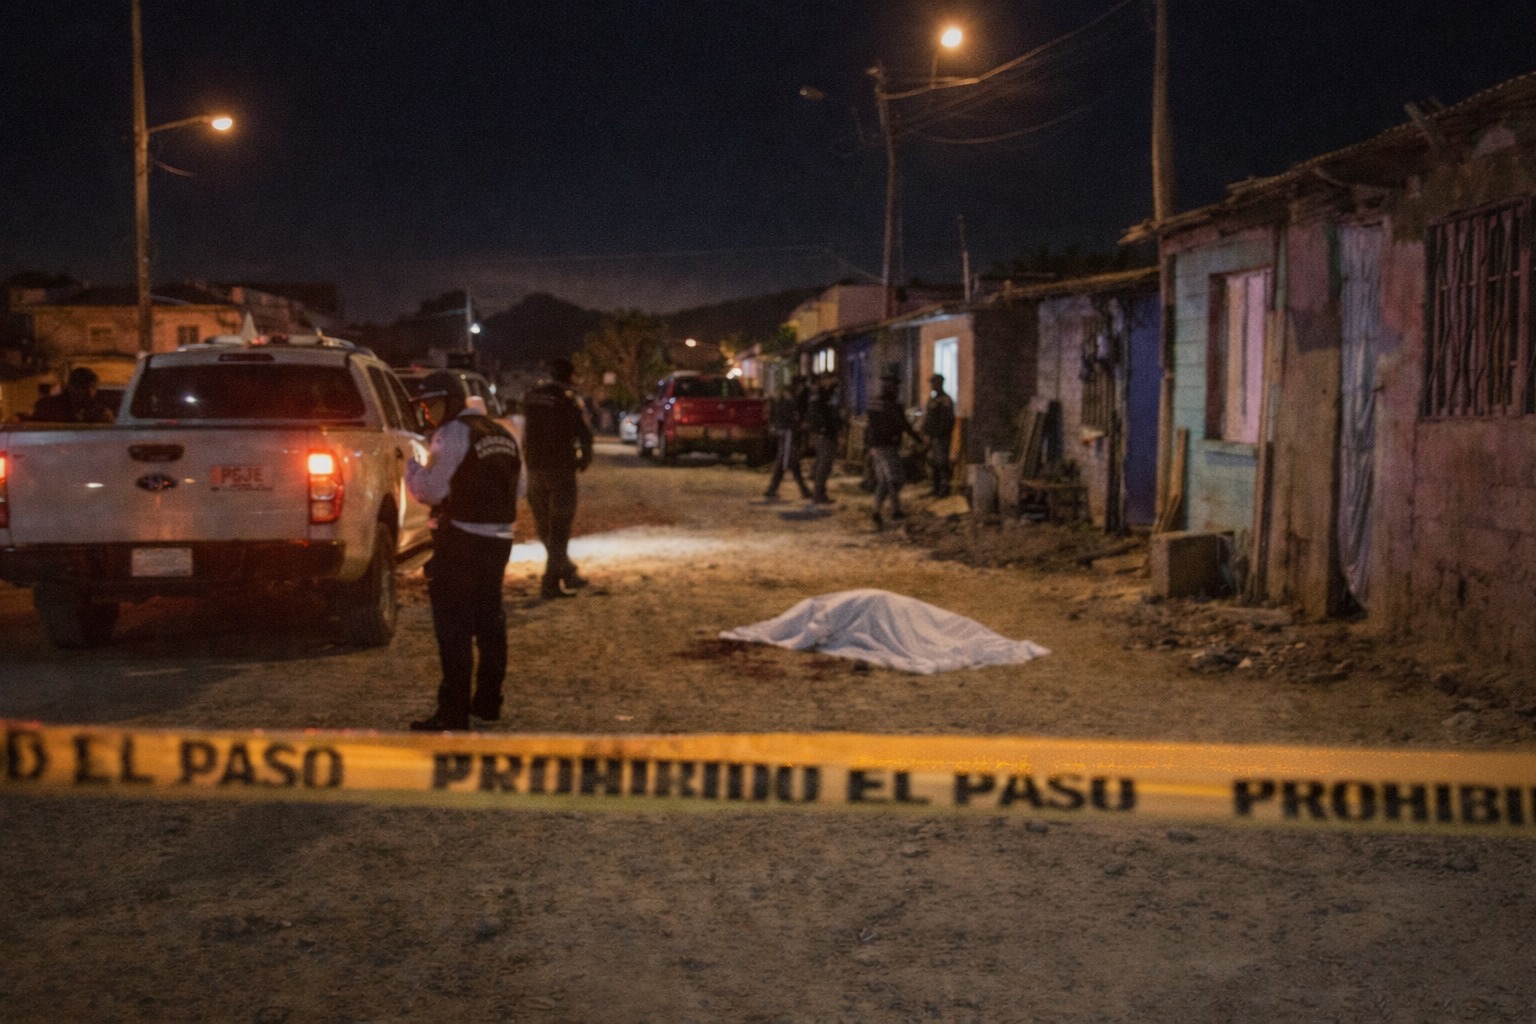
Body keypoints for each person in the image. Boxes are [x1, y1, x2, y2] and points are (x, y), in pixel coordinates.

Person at [405, 371, 522, 731]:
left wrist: (411, 468)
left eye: (432, 405)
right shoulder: (504, 434)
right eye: (424, 407)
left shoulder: (452, 433)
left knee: (453, 627)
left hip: (462, 540)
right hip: (499, 539)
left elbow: (430, 491)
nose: (428, 414)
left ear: (452, 402)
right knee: (489, 620)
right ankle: (488, 702)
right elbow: (519, 489)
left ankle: (453, 711)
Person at [522, 357, 594, 600]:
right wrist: (584, 459)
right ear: (569, 375)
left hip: (534, 469)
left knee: (545, 527)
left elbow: (526, 432)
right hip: (560, 469)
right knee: (560, 528)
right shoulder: (569, 399)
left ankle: (567, 571)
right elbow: (584, 433)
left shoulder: (532, 397)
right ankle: (550, 583)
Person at [865, 372, 925, 529]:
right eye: (896, 388)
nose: (898, 391)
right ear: (891, 388)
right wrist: (919, 440)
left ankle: (880, 511)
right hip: (887, 447)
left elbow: (870, 425)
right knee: (896, 479)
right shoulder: (892, 405)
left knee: (885, 480)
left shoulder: (873, 402)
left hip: (875, 447)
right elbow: (903, 425)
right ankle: (892, 510)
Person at [762, 374, 812, 501]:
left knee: (790, 463)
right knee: (786, 462)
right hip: (788, 433)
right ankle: (801, 490)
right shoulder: (788, 402)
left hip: (786, 433)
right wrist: (798, 425)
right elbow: (789, 419)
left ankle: (776, 489)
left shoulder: (783, 401)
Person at [31, 367, 115, 424]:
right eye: (82, 386)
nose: (89, 391)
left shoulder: (100, 412)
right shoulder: (49, 406)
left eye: (92, 387)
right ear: (71, 386)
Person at [807, 374, 842, 504]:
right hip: (824, 434)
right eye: (828, 380)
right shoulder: (820, 396)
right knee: (824, 464)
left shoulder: (825, 394)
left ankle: (820, 493)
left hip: (827, 433)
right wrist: (822, 429)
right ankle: (818, 494)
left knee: (825, 465)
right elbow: (818, 414)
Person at [921, 373, 957, 498]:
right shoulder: (932, 399)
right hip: (932, 437)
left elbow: (948, 421)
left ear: (940, 384)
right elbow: (928, 418)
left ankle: (944, 488)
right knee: (933, 463)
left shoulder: (945, 400)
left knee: (942, 463)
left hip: (941, 438)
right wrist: (926, 433)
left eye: (934, 383)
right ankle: (935, 487)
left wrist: (939, 434)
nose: (932, 386)